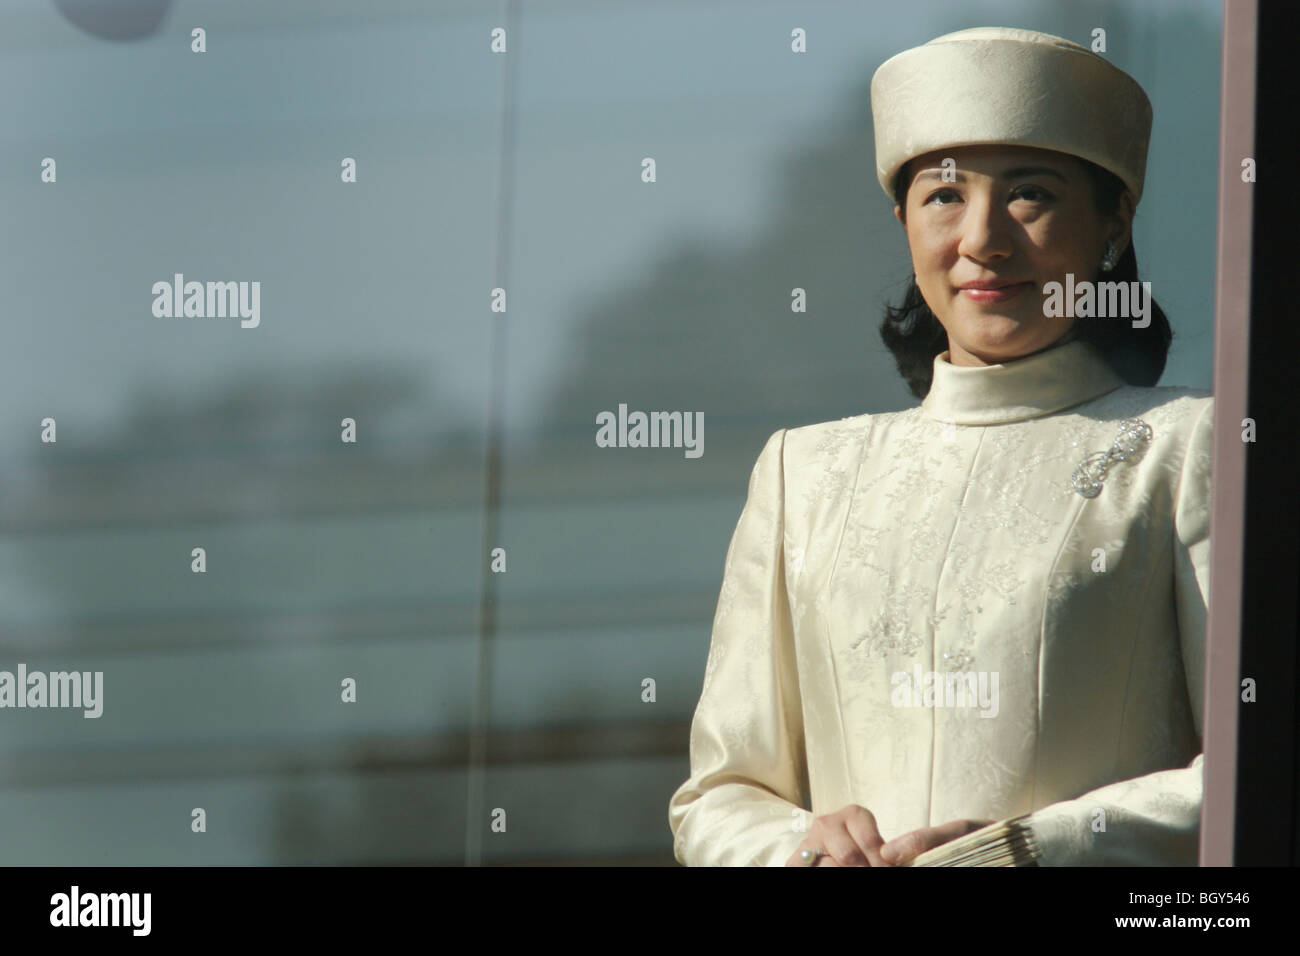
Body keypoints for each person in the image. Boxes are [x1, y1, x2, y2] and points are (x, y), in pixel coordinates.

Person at [667, 27, 1212, 866]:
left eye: (1031, 195)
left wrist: (1030, 849)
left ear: (1113, 223)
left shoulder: (1190, 446)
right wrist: (801, 848)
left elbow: (1249, 771)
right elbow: (722, 794)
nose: (983, 239)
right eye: (944, 197)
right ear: (903, 222)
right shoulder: (802, 472)